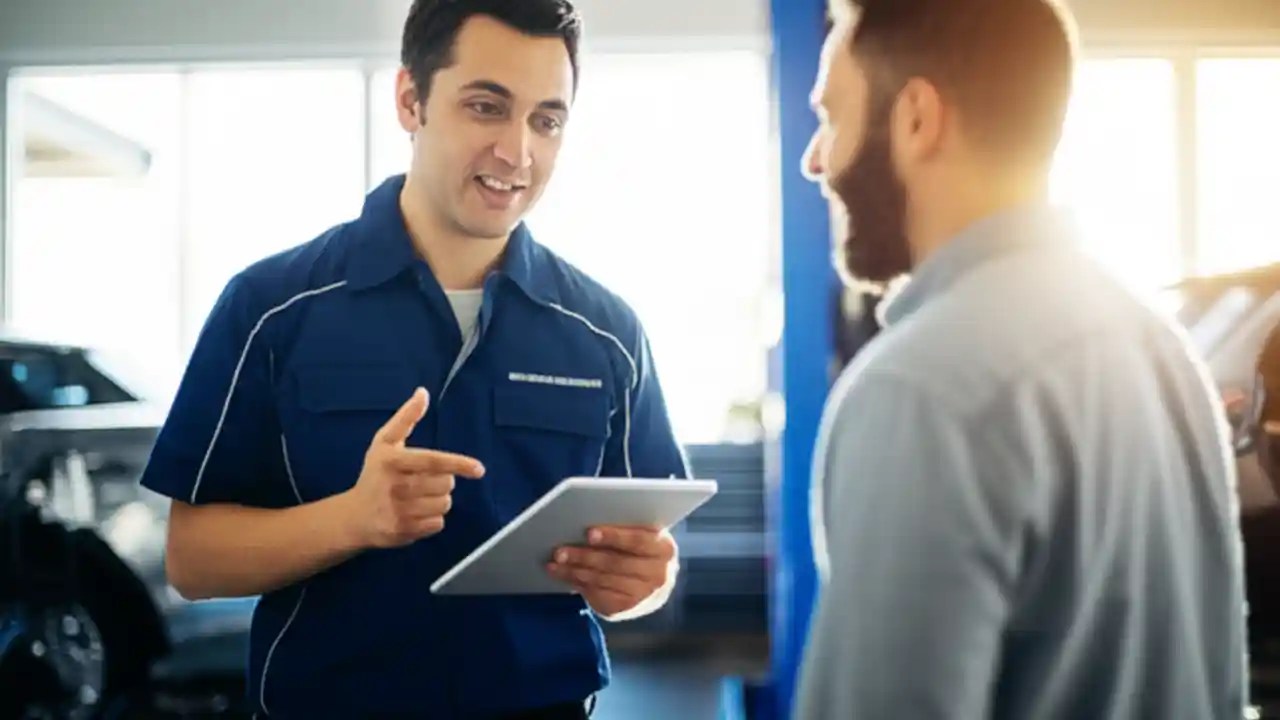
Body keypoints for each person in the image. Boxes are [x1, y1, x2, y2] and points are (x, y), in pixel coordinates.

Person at [138, 1, 689, 717]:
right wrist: (352, 519)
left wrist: (642, 583)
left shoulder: (607, 333)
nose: (517, 152)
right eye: (486, 107)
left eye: (547, 121)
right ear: (410, 100)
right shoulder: (271, 309)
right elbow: (192, 560)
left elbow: (648, 559)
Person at [793, 1, 1248, 718]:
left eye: (831, 118)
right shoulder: (1163, 352)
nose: (815, 160)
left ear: (916, 119)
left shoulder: (924, 388)